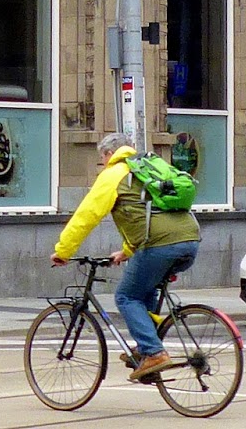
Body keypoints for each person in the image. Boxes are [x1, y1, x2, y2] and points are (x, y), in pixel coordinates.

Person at [51, 132, 200, 383]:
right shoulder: (151, 166)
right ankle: (147, 348)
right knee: (145, 291)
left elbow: (86, 215)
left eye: (102, 158)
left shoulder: (113, 174)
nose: (103, 162)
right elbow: (147, 213)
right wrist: (127, 252)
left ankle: (153, 352)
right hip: (190, 239)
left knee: (126, 296)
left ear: (109, 154)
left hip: (159, 245)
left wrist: (64, 250)